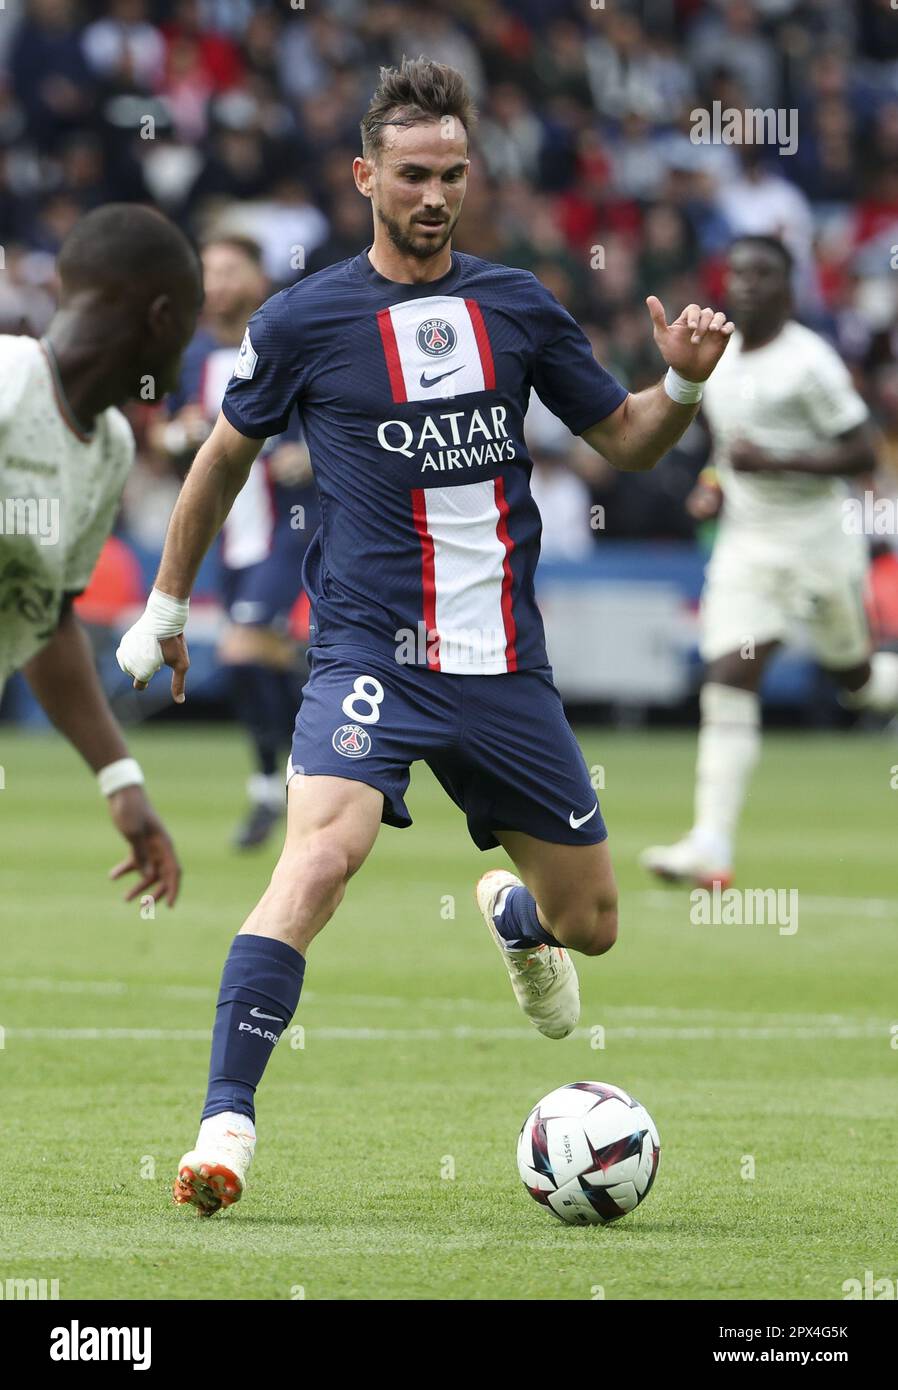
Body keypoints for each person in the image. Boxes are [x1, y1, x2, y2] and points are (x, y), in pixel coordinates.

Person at [116, 58, 734, 1215]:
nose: (434, 193)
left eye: (452, 172)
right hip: (367, 657)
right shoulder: (302, 319)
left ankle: (517, 917)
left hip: (502, 664)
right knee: (317, 861)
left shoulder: (518, 305)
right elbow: (219, 461)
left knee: (591, 928)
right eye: (411, 174)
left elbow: (627, 442)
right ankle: (226, 1127)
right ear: (365, 176)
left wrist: (683, 388)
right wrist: (165, 604)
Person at [641, 236, 898, 888]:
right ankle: (710, 845)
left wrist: (778, 463)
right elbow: (727, 447)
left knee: (859, 685)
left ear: (788, 289)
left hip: (818, 544)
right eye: (738, 275)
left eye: (762, 276)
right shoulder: (717, 357)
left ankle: (710, 843)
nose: (747, 286)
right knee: (728, 675)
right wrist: (715, 483)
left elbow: (863, 454)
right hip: (748, 547)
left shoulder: (809, 363)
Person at [0, 202, 202, 906]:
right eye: (188, 326)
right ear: (159, 318)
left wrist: (121, 780)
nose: (182, 364)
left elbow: (43, 618)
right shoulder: (7, 379)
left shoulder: (111, 448)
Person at [153, 235, 317, 848]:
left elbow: (341, 419)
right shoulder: (189, 358)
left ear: (257, 275)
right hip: (228, 535)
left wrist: (310, 456)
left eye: (230, 269)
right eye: (208, 272)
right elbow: (164, 435)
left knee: (242, 650)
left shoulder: (290, 337)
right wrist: (177, 437)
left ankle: (276, 785)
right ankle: (299, 764)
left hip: (292, 529)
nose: (217, 282)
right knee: (250, 654)